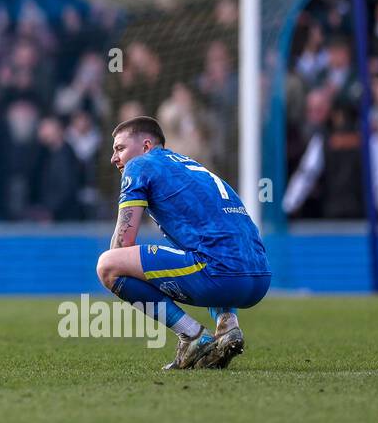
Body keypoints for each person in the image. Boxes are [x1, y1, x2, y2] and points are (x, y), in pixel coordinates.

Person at [95, 116, 271, 370]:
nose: (114, 158)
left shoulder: (139, 165)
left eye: (120, 148)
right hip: (259, 277)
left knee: (107, 265)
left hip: (222, 276)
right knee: (203, 249)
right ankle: (228, 325)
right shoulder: (191, 166)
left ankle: (191, 336)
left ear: (145, 147)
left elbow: (124, 242)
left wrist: (136, 281)